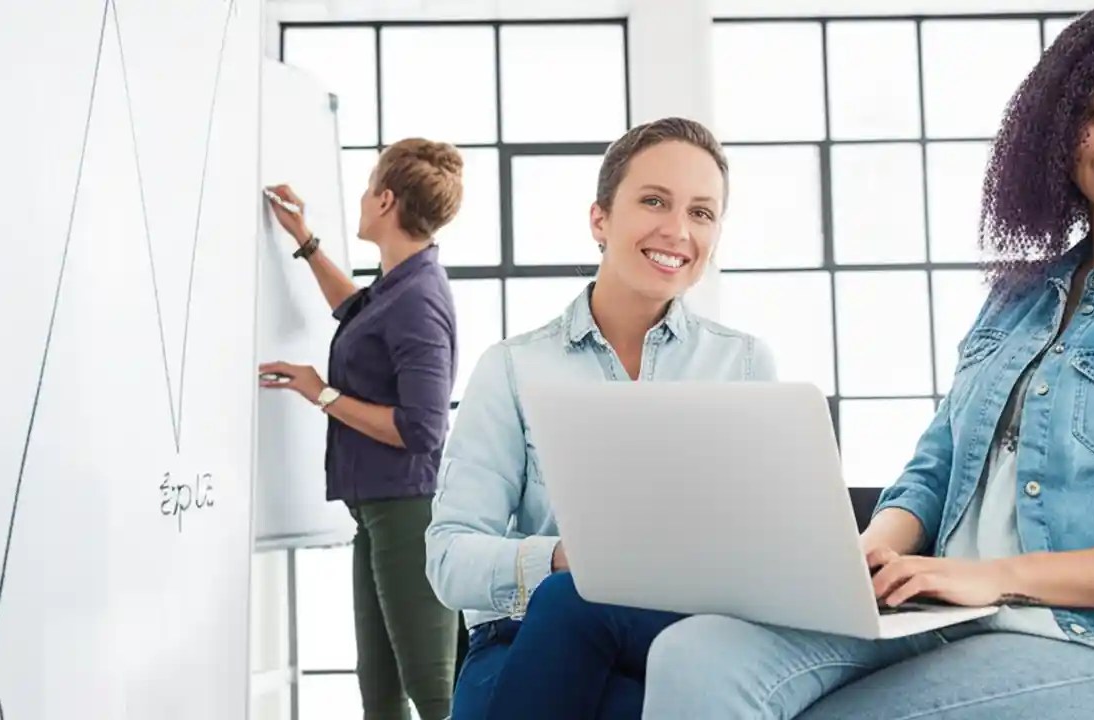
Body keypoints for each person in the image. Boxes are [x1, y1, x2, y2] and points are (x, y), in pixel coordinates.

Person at [640, 2, 1094, 718]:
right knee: (694, 656)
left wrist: (995, 577)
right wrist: (867, 557)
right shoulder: (1018, 298)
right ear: (1061, 128)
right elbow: (936, 467)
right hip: (941, 611)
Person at [423, 116, 778, 720]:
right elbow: (450, 559)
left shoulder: (743, 363)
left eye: (701, 212)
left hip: (683, 641)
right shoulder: (514, 368)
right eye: (653, 201)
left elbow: (775, 548)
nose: (677, 230)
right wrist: (562, 559)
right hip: (524, 637)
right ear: (600, 220)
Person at [260, 138, 464, 720]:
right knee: (379, 692)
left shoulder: (419, 298)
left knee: (433, 694)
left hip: (408, 512)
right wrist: (305, 240)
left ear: (386, 200)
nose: (363, 194)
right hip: (376, 510)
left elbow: (423, 428)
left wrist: (320, 392)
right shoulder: (401, 283)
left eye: (370, 183)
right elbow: (358, 312)